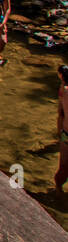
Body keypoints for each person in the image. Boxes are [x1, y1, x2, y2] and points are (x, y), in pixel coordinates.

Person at [54, 65, 67, 193]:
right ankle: (58, 191)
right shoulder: (64, 90)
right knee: (63, 167)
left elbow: (60, 114)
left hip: (65, 133)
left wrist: (59, 132)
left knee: (63, 166)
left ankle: (58, 191)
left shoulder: (63, 90)